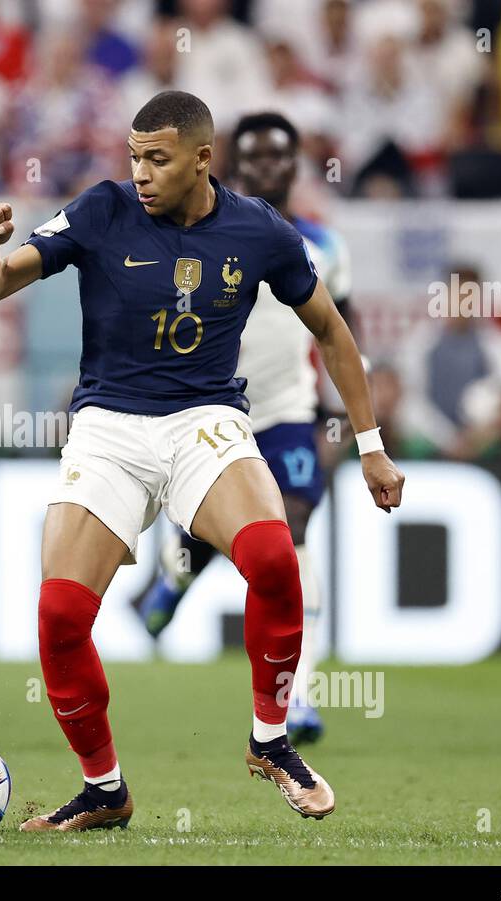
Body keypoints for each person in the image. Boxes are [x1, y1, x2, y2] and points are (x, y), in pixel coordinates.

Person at [0, 91, 404, 831]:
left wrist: (371, 448)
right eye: (134, 156)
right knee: (61, 615)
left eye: (157, 159)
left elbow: (331, 330)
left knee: (274, 558)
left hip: (206, 420)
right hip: (108, 426)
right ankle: (104, 789)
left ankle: (272, 740)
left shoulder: (259, 231)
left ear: (203, 159)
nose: (140, 173)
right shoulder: (101, 210)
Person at [136, 111, 352, 745]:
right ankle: (176, 576)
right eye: (252, 156)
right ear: (231, 162)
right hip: (210, 412)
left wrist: (346, 409)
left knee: (295, 528)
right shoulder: (199, 232)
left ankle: (299, 697)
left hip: (288, 410)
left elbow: (339, 325)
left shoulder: (326, 246)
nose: (266, 167)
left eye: (278, 156)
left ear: (295, 164)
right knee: (220, 534)